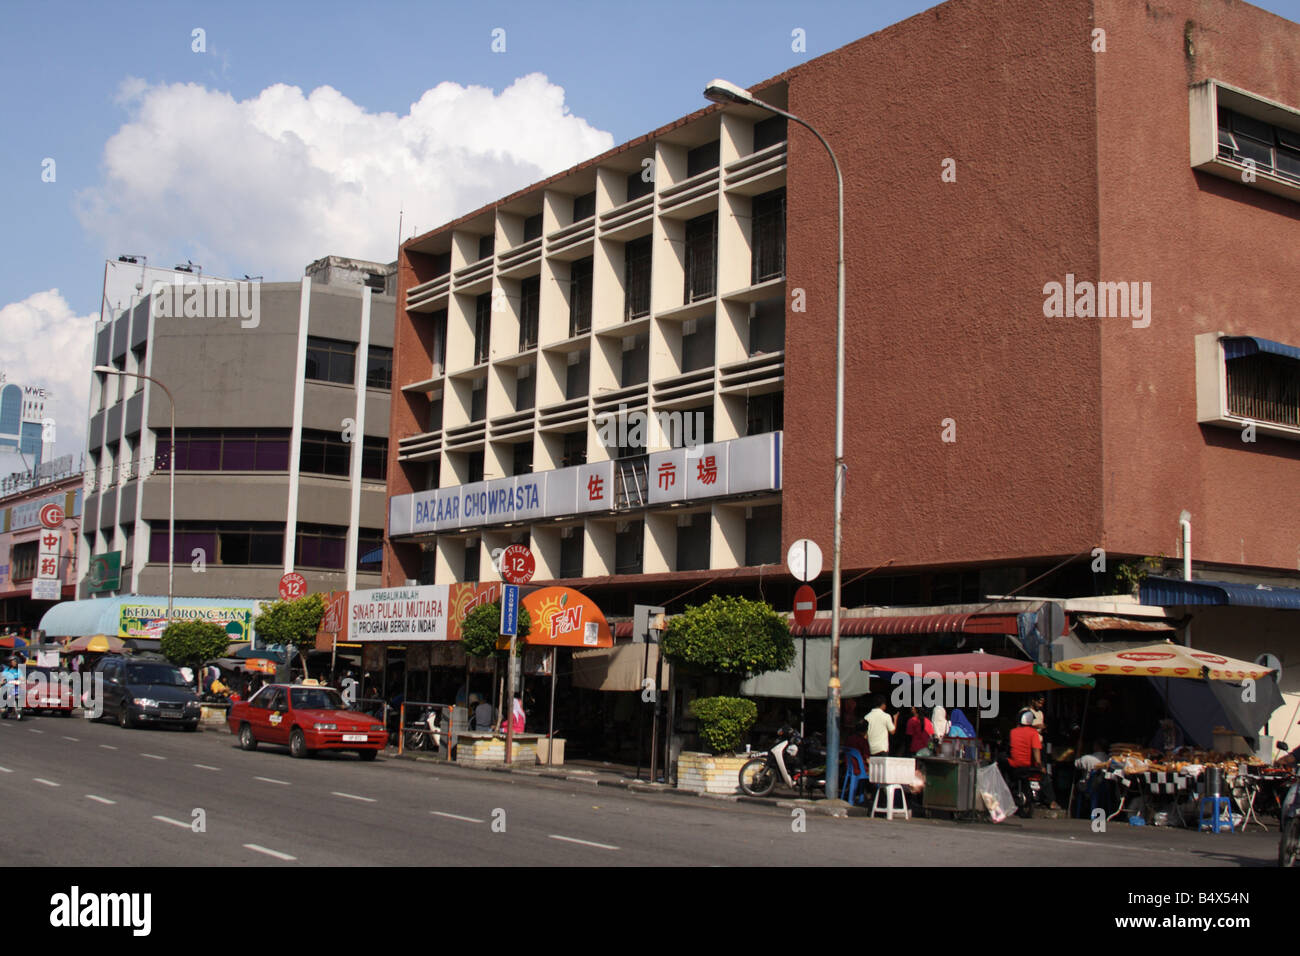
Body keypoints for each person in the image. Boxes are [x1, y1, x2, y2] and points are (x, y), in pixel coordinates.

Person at [1007, 710, 1058, 808]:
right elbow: (1036, 750)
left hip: (1015, 766)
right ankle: (1051, 801)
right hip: (1029, 766)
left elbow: (1010, 748)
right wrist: (1039, 765)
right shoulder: (1033, 733)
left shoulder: (1012, 732)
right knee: (1045, 778)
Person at [1, 656, 25, 721]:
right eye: (13, 661)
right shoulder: (6, 670)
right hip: (7, 687)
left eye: (15, 661)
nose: (15, 663)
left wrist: (23, 680)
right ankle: (4, 707)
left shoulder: (18, 670)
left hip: (16, 688)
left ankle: (18, 708)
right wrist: (2, 681)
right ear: (10, 662)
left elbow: (22, 678)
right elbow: (2, 678)